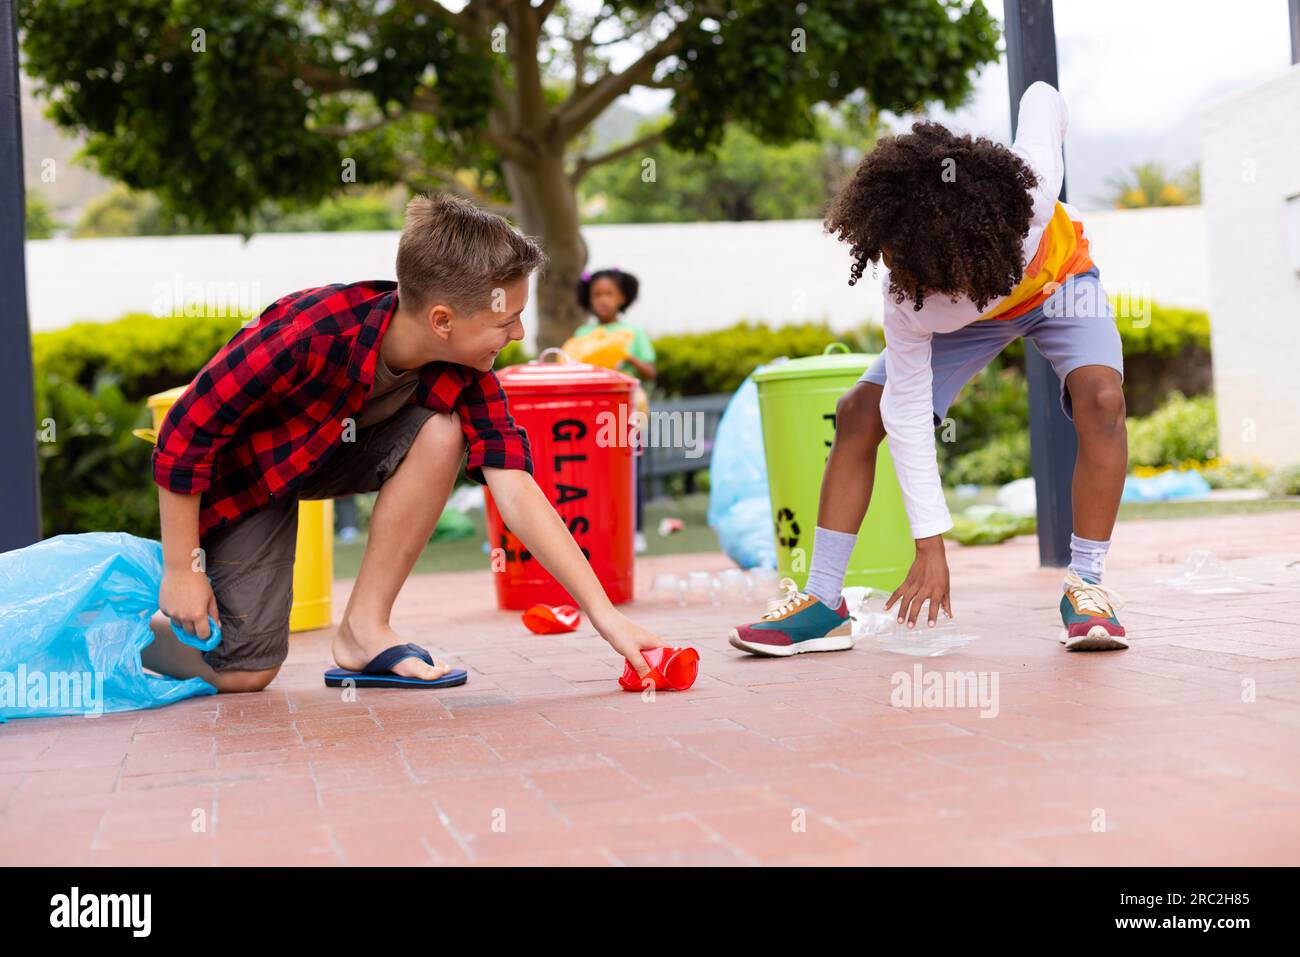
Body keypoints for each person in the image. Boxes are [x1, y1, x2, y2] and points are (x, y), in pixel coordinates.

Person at [144, 194, 663, 692]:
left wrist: (605, 616)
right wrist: (181, 570)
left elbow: (516, 488)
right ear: (442, 320)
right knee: (245, 674)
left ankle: (362, 631)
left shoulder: (466, 372)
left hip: (325, 458)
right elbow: (184, 432)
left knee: (443, 429)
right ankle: (132, 638)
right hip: (248, 481)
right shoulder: (310, 331)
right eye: (506, 320)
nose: (517, 332)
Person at [728, 82, 1129, 657]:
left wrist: (1061, 121)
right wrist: (930, 545)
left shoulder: (1031, 189)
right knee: (859, 413)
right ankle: (822, 602)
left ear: (950, 243)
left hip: (1059, 284)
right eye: (884, 246)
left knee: (1103, 400)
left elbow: (1041, 94)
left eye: (900, 250)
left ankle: (1087, 585)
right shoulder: (910, 297)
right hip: (970, 316)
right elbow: (909, 419)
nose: (887, 261)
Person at [573, 267, 657, 553]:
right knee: (596, 472)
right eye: (596, 295)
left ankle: (635, 530)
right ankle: (601, 529)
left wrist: (626, 354)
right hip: (591, 412)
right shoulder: (583, 334)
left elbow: (650, 371)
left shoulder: (632, 333)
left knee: (630, 469)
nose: (602, 300)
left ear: (623, 298)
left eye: (609, 294)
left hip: (627, 411)